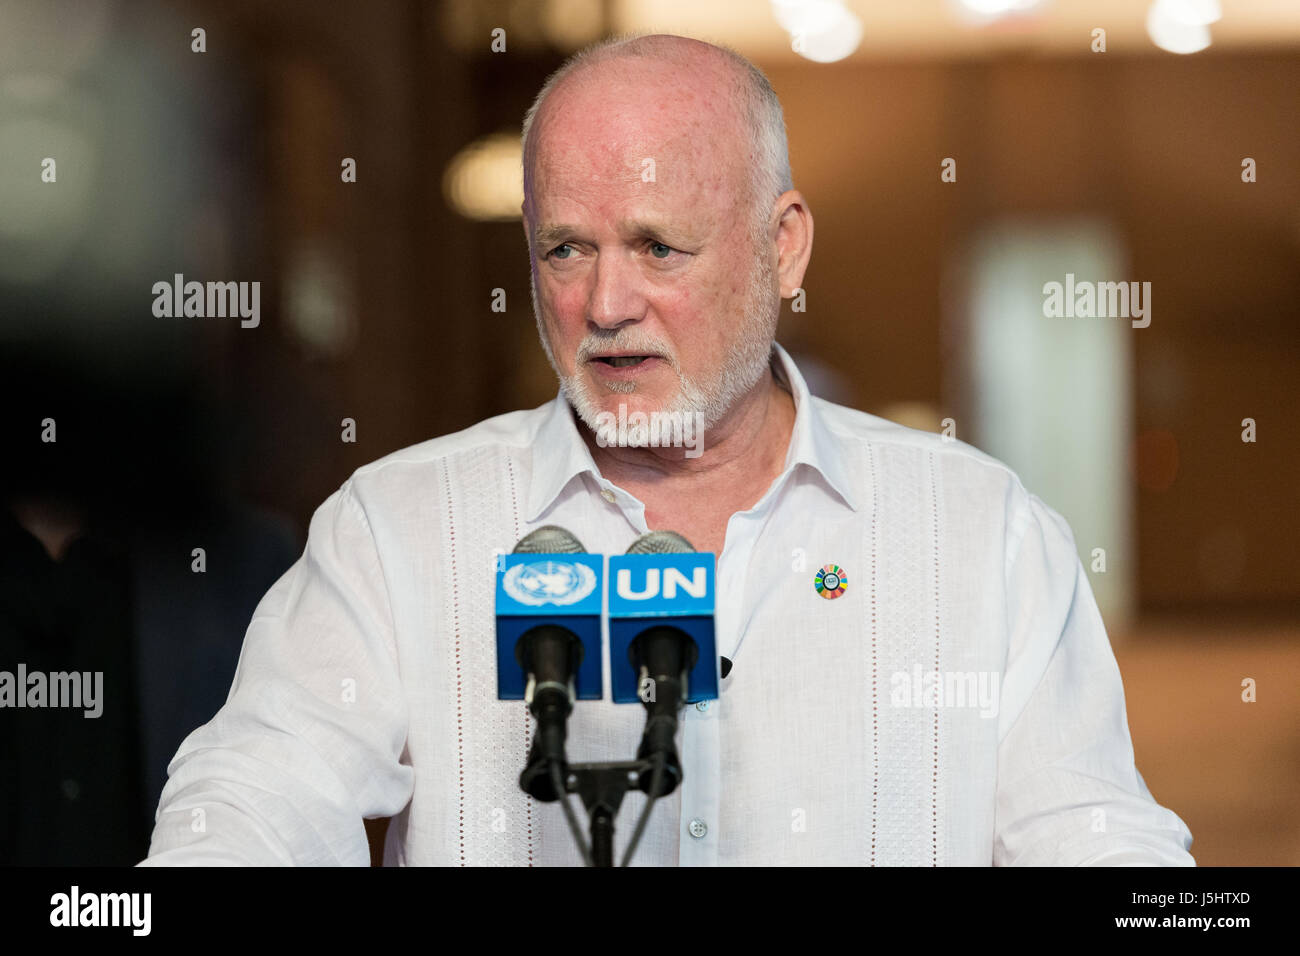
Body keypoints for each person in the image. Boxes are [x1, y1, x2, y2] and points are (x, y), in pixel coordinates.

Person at [141, 32, 1194, 866]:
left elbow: (1095, 838)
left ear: (782, 246)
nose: (605, 303)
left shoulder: (979, 535)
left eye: (656, 246)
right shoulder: (399, 529)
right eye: (565, 248)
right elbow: (257, 799)